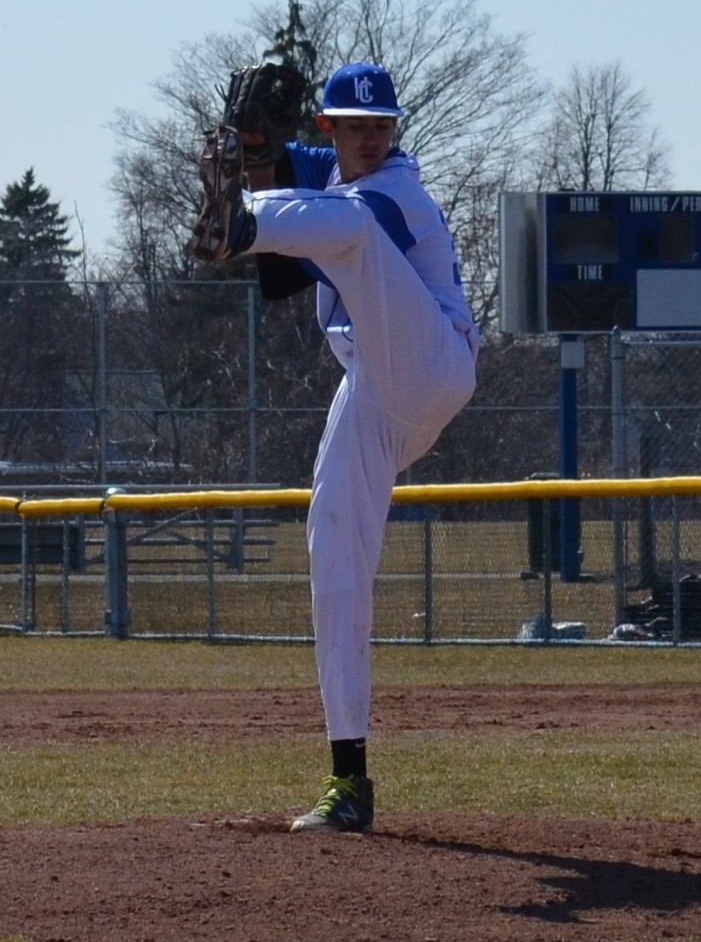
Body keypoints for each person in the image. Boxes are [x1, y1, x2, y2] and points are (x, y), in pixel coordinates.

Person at [194, 61, 479, 832]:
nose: (368, 136)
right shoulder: (325, 166)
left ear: (394, 131)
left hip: (432, 363)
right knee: (332, 548)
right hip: (375, 392)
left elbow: (327, 235)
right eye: (353, 125)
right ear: (329, 127)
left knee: (344, 224)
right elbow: (287, 267)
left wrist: (246, 212)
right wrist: (257, 149)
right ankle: (347, 777)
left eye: (380, 125)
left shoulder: (394, 190)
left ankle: (239, 225)